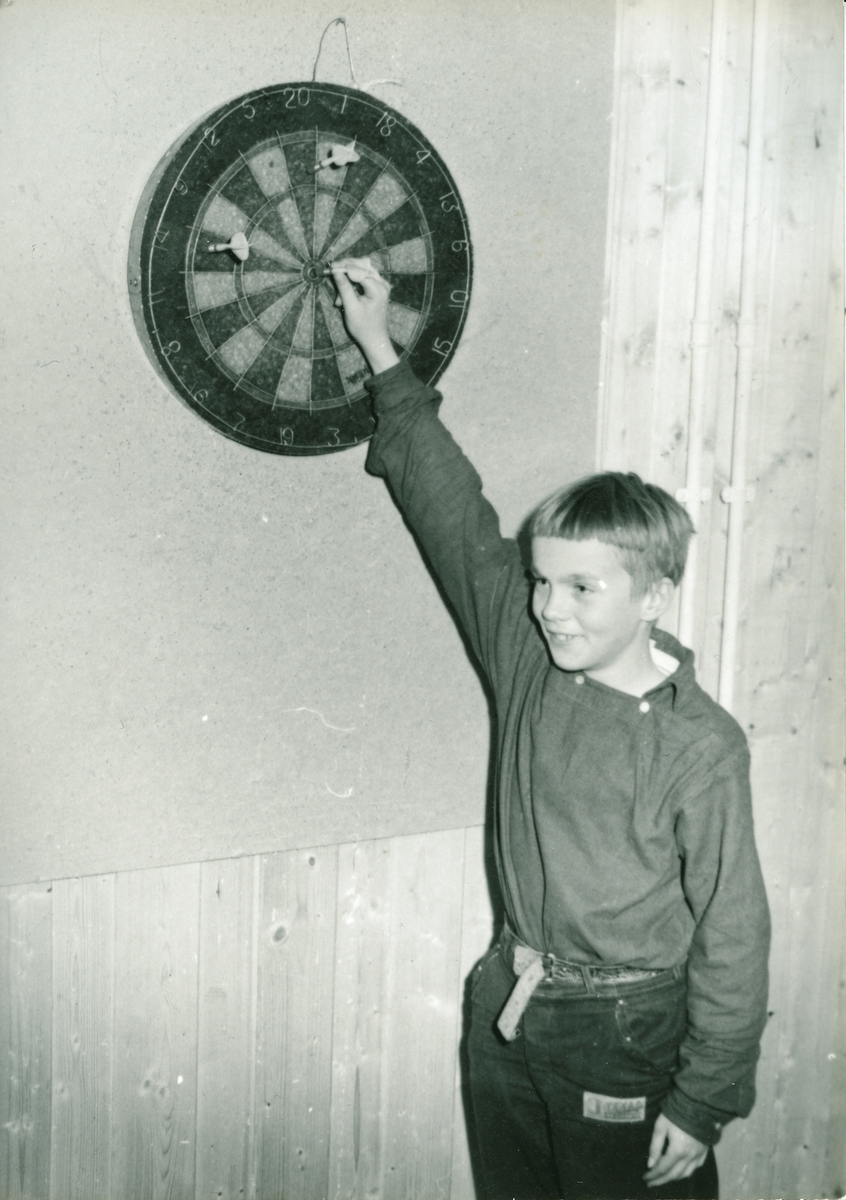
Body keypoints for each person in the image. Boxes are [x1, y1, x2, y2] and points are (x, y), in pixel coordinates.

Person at [329, 257, 771, 1200]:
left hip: (628, 1035)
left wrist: (703, 1100)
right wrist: (379, 347)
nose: (550, 609)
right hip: (509, 1006)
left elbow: (735, 936)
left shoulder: (700, 746)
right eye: (540, 580)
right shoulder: (530, 654)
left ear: (654, 594)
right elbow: (448, 505)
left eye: (581, 588)